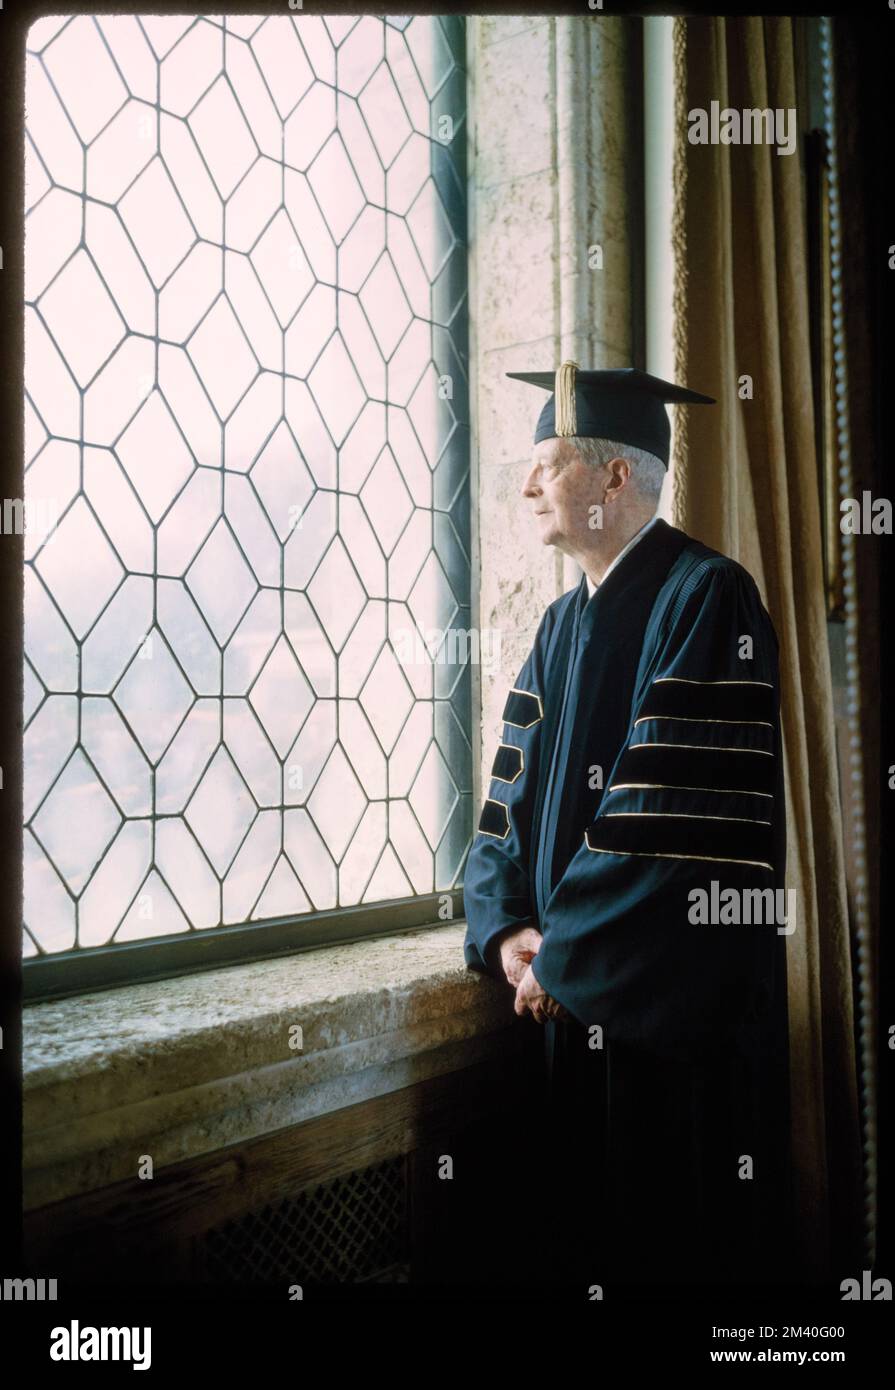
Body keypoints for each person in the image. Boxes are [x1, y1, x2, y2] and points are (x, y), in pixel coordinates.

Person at [462, 362, 793, 1292]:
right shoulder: (559, 623)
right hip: (563, 998)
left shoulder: (707, 598)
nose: (526, 485)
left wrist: (568, 958)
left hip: (668, 1016)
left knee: (670, 1244)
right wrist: (506, 934)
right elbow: (507, 800)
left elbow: (674, 824)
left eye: (549, 462)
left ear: (616, 478)